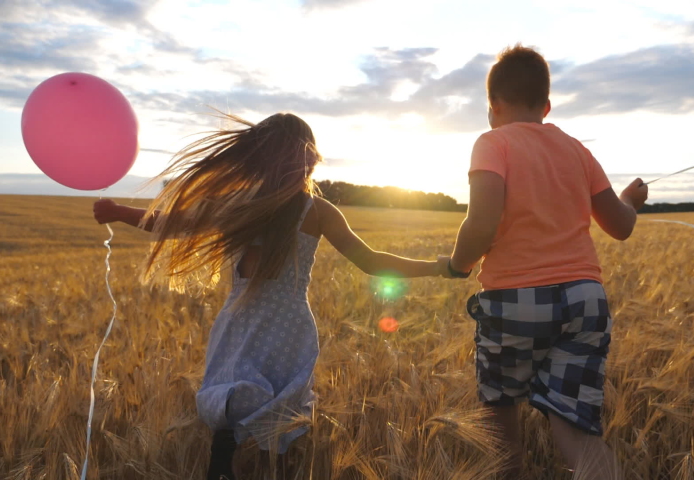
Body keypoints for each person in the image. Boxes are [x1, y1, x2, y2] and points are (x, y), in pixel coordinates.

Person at [93, 112, 445, 480]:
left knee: (231, 398)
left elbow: (176, 223)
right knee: (279, 412)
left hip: (239, 321)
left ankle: (224, 460)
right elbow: (371, 261)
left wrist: (120, 212)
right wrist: (439, 267)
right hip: (288, 325)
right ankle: (265, 467)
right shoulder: (315, 210)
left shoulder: (241, 204)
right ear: (309, 159)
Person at [440, 45, 648, 479]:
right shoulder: (576, 150)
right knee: (578, 432)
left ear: (493, 106)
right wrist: (630, 200)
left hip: (514, 301)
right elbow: (620, 225)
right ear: (547, 106)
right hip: (585, 300)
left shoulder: (492, 143)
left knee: (500, 417)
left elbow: (482, 223)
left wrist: (459, 263)